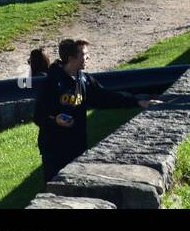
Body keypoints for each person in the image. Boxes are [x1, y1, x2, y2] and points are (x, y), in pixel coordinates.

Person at [33, 38, 163, 185]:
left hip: (77, 147)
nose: (88, 57)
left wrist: (137, 101)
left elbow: (106, 97)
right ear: (71, 58)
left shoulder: (84, 80)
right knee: (56, 189)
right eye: (84, 54)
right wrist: (55, 120)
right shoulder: (52, 83)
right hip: (54, 150)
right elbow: (38, 116)